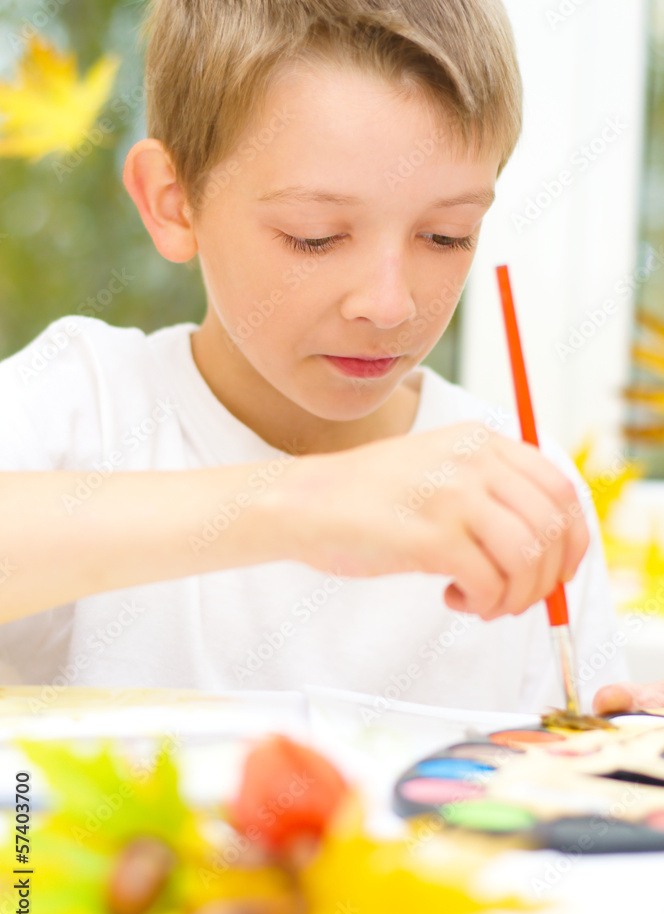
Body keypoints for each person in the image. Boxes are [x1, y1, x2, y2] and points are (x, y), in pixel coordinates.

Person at [0, 0, 639, 714]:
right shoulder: (81, 403)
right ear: (173, 203)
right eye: (316, 236)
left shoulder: (517, 492)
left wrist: (624, 776)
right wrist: (304, 503)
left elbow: (566, 789)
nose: (389, 305)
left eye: (448, 235)